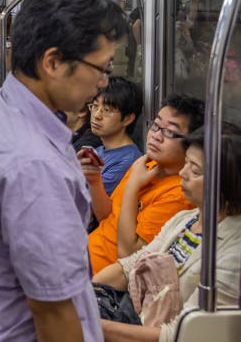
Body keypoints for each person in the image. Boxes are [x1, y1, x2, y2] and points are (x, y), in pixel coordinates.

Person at [0, 0, 127, 341]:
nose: (103, 84)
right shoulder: (35, 168)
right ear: (54, 62)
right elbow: (54, 312)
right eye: (101, 68)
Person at [93, 125, 241, 342]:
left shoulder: (233, 251)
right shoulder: (185, 219)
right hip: (131, 313)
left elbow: (180, 333)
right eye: (186, 163)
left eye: (195, 170)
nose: (182, 173)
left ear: (226, 183)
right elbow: (130, 266)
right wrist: (86, 295)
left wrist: (97, 326)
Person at [87, 94, 204, 274]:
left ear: (191, 144)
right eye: (156, 125)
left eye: (170, 132)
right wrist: (94, 181)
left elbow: (128, 257)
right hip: (86, 253)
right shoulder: (147, 164)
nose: (156, 136)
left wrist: (133, 185)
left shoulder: (180, 194)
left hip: (103, 278)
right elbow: (107, 217)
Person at [83, 77, 143, 196]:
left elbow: (84, 199)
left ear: (127, 119)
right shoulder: (99, 150)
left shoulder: (127, 161)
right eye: (95, 106)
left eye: (106, 110)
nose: (96, 115)